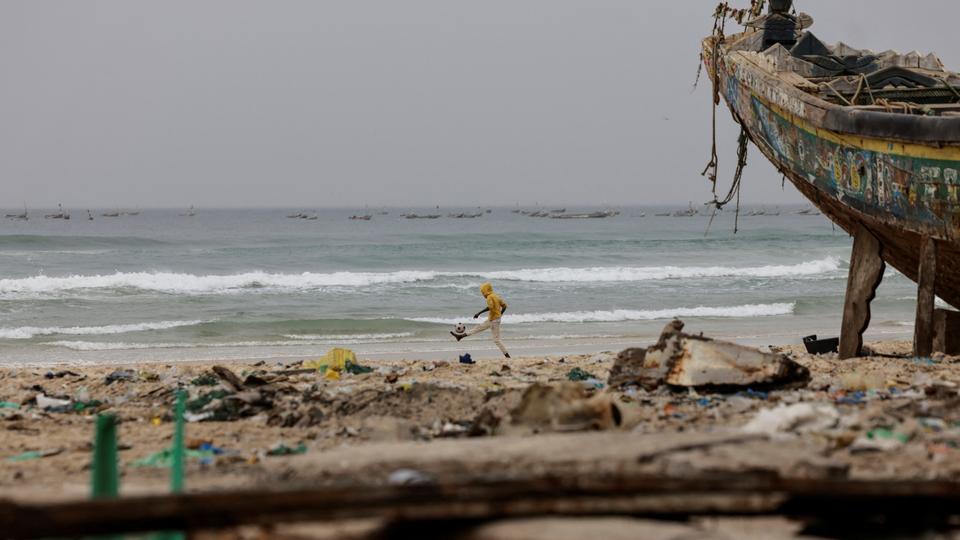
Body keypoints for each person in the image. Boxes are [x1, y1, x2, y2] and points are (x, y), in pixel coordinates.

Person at [451, 282, 511, 358]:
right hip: (493, 320)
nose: (483, 295)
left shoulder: (489, 297)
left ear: (486, 291)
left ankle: (508, 356)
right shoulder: (496, 296)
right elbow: (504, 306)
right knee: (478, 327)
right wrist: (500, 314)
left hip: (494, 321)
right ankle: (460, 336)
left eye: (483, 292)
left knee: (497, 340)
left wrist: (479, 313)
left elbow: (490, 307)